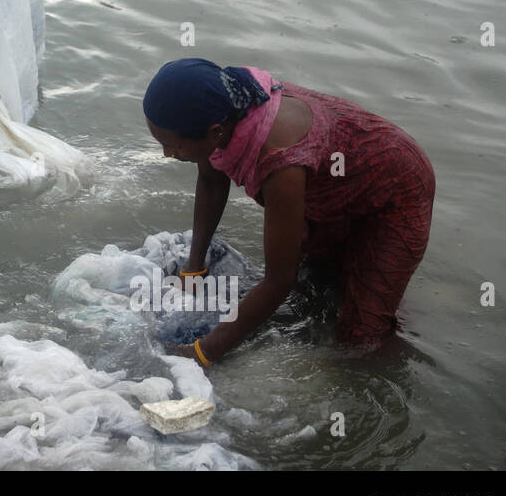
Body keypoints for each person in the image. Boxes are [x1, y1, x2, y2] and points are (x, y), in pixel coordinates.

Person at [142, 58, 435, 363]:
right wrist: (194, 267)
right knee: (321, 287)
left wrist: (204, 352)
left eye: (174, 147)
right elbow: (212, 182)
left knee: (361, 338)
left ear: (215, 132)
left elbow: (279, 280)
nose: (166, 154)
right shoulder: (227, 106)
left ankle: (388, 349)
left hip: (396, 190)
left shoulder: (280, 162)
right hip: (335, 186)